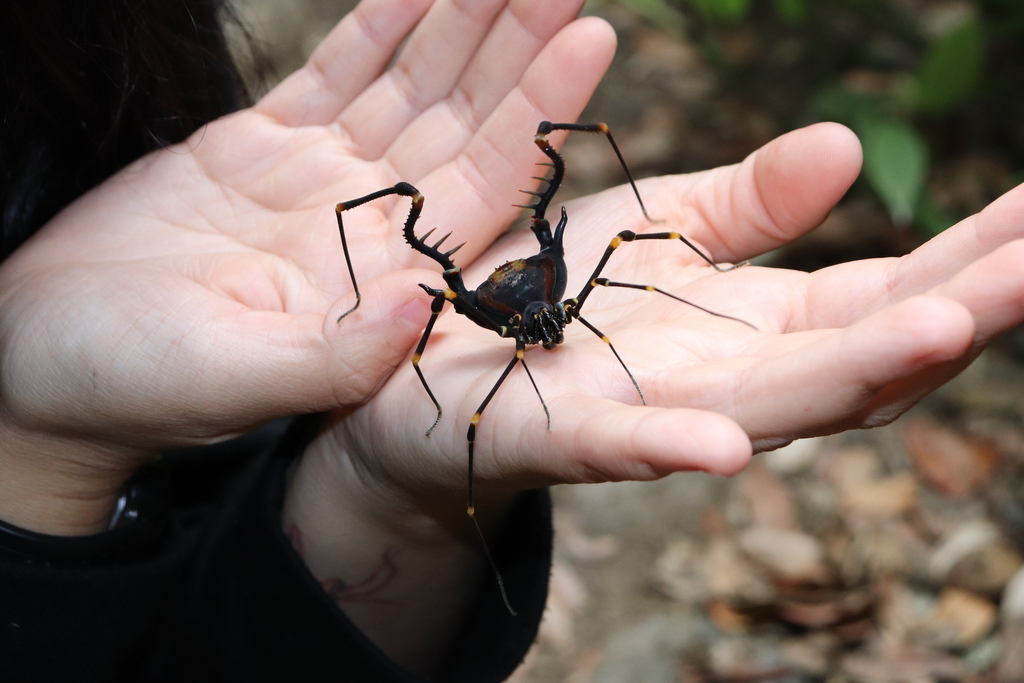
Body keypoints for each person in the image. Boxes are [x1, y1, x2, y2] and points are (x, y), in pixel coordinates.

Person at [2, 0, 1024, 681]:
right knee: (464, 343)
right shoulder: (487, 337)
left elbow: (621, 239)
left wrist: (386, 482)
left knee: (609, 235)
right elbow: (465, 360)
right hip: (500, 302)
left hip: (530, 294)